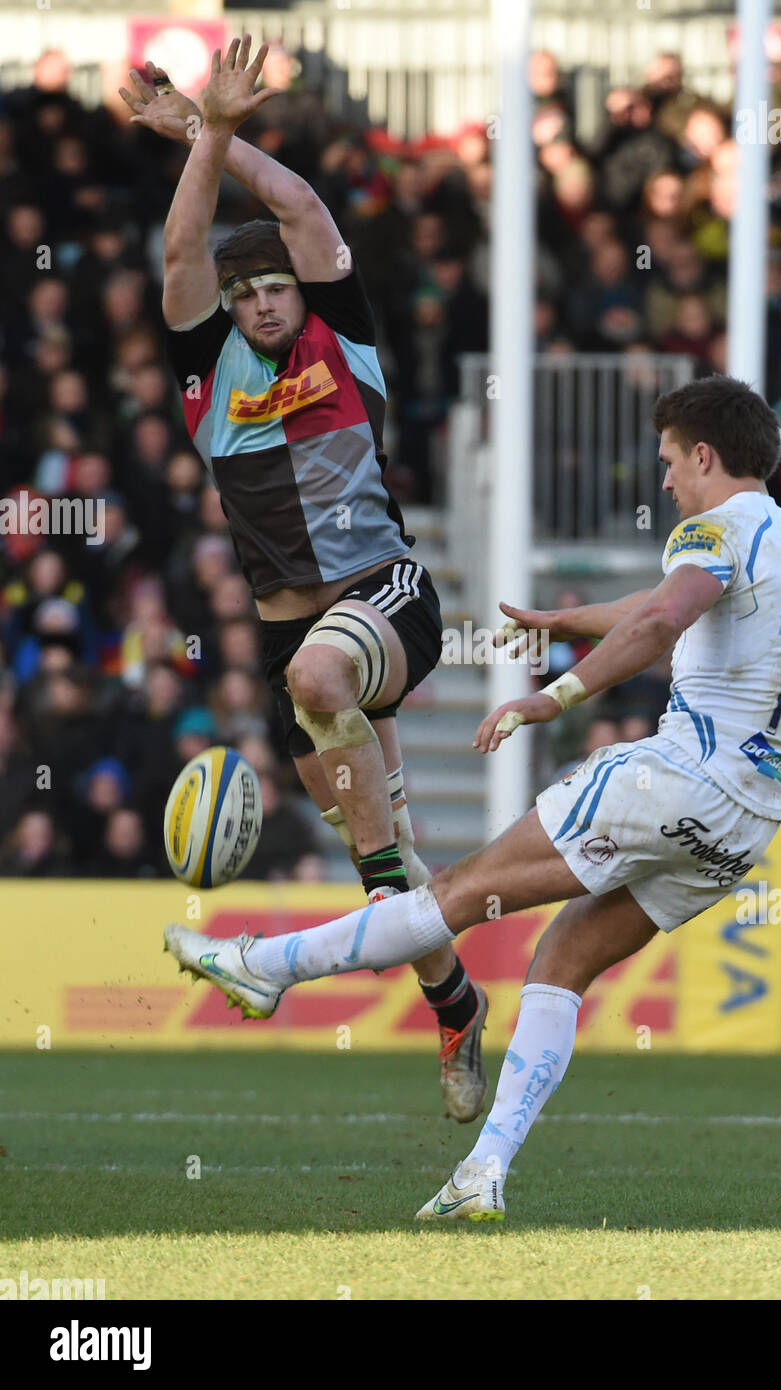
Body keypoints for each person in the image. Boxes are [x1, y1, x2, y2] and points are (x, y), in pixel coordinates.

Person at [166, 377, 781, 1221]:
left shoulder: (714, 525)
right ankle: (484, 1171)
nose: (664, 481)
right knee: (562, 961)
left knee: (459, 893)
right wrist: (567, 618)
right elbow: (662, 606)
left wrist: (557, 694)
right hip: (746, 820)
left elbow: (663, 620)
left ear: (705, 455)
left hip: (678, 778)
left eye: (668, 462)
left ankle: (265, 968)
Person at [125, 38, 486, 1121]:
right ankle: (460, 1007)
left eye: (278, 284)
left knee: (324, 682)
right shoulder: (212, 372)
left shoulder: (348, 337)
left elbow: (303, 202)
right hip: (290, 636)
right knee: (392, 872)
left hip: (383, 599)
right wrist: (199, 139)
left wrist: (211, 127)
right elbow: (183, 249)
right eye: (250, 295)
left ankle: (325, 952)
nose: (266, 304)